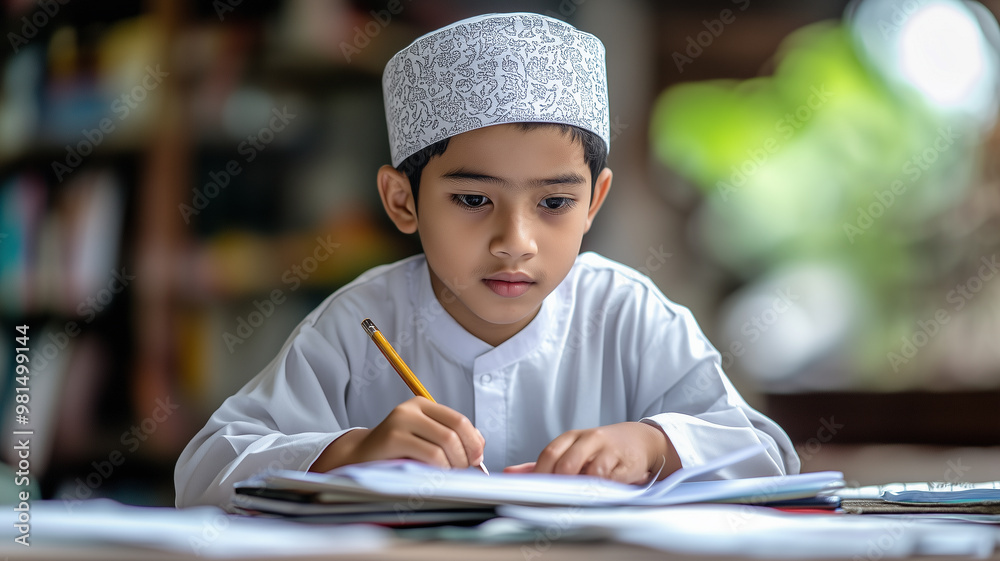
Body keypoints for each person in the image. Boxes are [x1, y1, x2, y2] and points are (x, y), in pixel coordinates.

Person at [175, 12, 799, 509]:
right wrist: (351, 453)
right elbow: (203, 473)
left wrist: (653, 446)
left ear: (594, 202)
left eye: (554, 202)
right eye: (473, 200)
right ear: (402, 200)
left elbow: (769, 458)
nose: (515, 241)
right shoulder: (357, 324)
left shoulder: (629, 316)